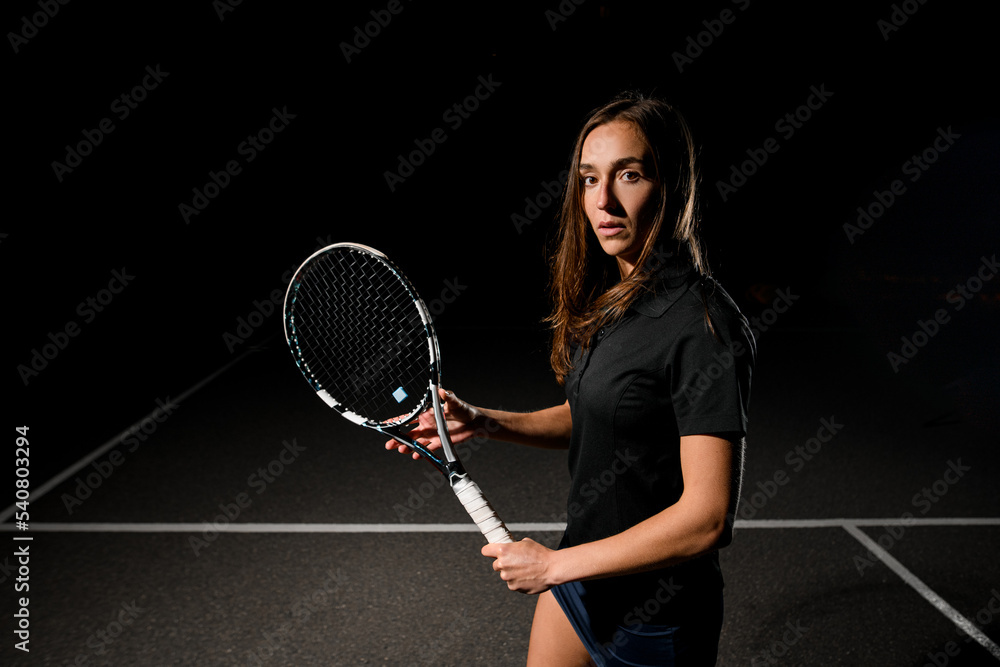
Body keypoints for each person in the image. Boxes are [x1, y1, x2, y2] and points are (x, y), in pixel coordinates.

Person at [386, 93, 754, 666]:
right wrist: (481, 423)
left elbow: (706, 520)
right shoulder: (610, 302)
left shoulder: (702, 326)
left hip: (658, 620)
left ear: (672, 185)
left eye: (628, 175)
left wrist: (555, 566)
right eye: (588, 179)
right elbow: (594, 415)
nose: (603, 200)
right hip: (581, 586)